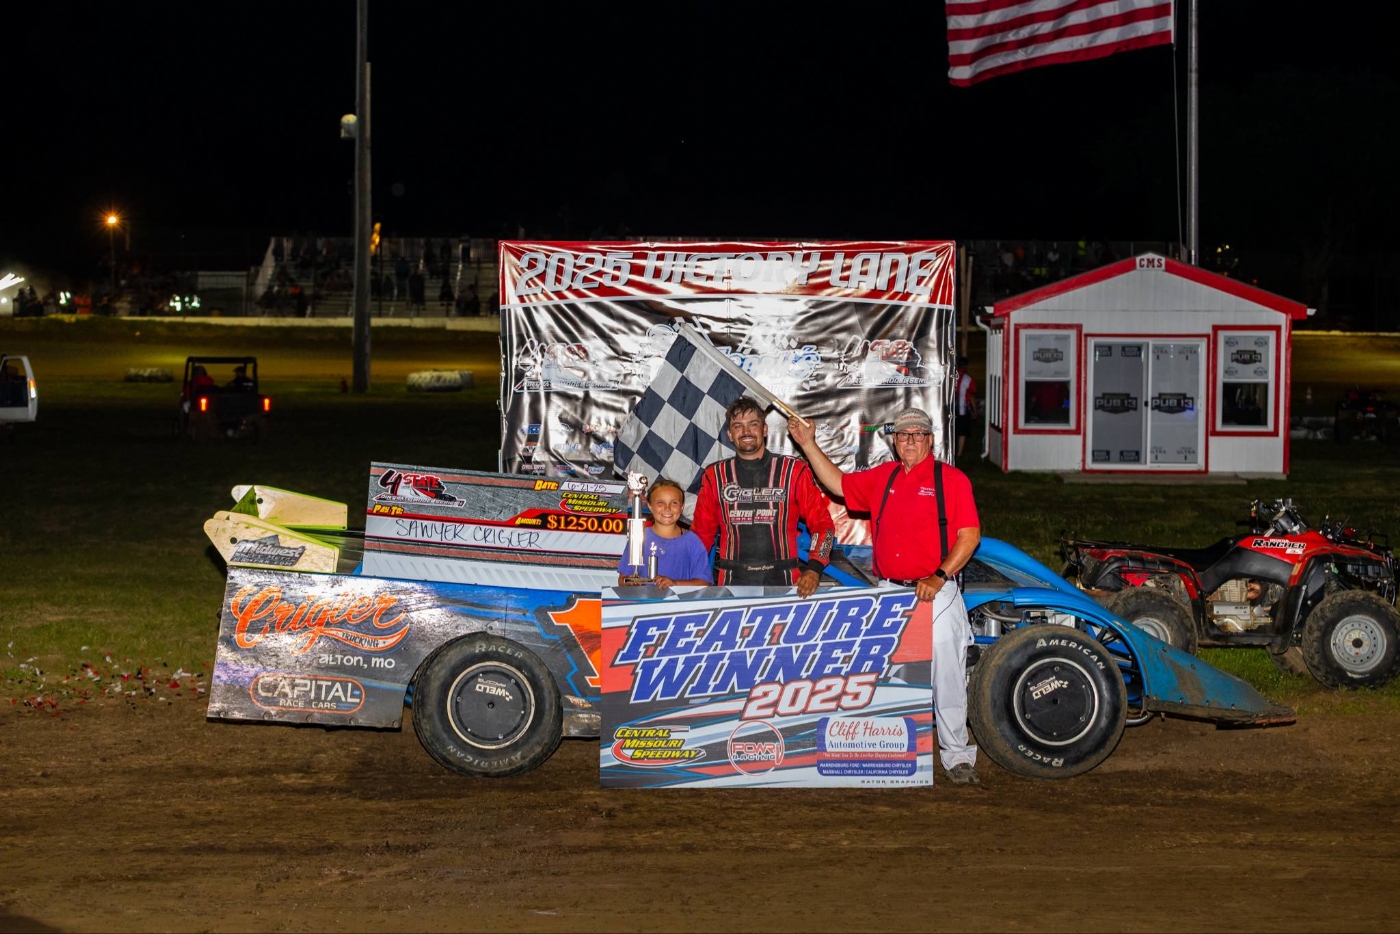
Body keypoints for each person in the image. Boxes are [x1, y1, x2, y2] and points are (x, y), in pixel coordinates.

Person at [789, 406, 983, 786]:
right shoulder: (885, 476)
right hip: (890, 590)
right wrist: (808, 444)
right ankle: (891, 755)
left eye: (918, 434)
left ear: (930, 440)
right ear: (894, 441)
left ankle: (957, 757)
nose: (910, 440)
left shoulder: (950, 479)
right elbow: (839, 485)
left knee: (946, 675)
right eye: (903, 434)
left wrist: (939, 576)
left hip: (936, 591)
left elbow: (969, 536)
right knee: (888, 674)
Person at [690, 397, 835, 598]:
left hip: (786, 582)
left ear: (765, 430)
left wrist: (814, 568)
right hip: (732, 582)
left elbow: (823, 525)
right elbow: (700, 535)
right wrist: (685, 577)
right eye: (738, 426)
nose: (746, 432)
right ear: (730, 435)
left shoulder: (794, 471)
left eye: (753, 424)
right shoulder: (714, 475)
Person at [617, 477, 714, 588]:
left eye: (674, 503)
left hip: (679, 599)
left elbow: (704, 583)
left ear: (682, 507)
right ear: (650, 506)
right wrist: (630, 582)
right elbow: (622, 580)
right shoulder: (639, 538)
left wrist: (675, 584)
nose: (667, 508)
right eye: (660, 503)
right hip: (644, 599)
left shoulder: (692, 541)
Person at [955, 355, 977, 459]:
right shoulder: (968, 379)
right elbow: (971, 396)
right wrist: (975, 411)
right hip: (963, 410)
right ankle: (959, 453)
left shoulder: (952, 376)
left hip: (950, 409)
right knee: (962, 432)